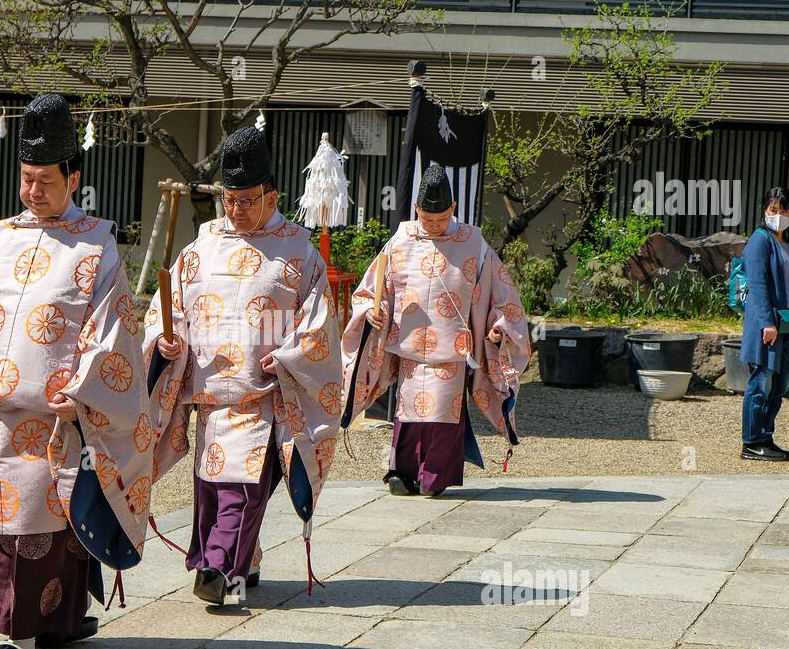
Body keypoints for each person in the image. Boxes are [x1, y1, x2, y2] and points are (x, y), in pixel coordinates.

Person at [0, 93, 153, 649]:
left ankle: (23, 634)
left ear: (73, 177)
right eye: (25, 179)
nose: (33, 191)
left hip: (55, 414)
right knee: (10, 524)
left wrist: (82, 389)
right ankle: (43, 624)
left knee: (47, 525)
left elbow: (115, 330)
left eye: (45, 180)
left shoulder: (97, 244)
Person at [142, 125, 342, 606]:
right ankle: (238, 562)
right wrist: (167, 343)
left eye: (247, 200)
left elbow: (320, 326)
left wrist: (291, 355)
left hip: (263, 397)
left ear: (271, 196)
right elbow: (167, 312)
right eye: (229, 199)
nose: (236, 210)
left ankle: (218, 568)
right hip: (210, 397)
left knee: (240, 490)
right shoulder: (200, 248)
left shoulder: (298, 251)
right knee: (212, 490)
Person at [340, 163, 530, 497]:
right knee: (408, 409)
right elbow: (374, 289)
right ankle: (402, 472)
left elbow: (501, 292)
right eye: (428, 219)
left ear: (453, 209)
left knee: (443, 412)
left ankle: (434, 478)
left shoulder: (473, 242)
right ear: (417, 210)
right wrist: (374, 311)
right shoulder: (401, 240)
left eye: (441, 219)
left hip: (453, 344)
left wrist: (499, 324)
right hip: (410, 344)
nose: (435, 226)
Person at [740, 187, 789, 461]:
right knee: (762, 382)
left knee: (780, 384)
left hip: (788, 324)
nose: (778, 215)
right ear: (764, 212)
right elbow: (757, 284)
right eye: (772, 210)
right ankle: (752, 442)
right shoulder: (760, 240)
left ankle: (766, 437)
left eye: (784, 210)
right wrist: (767, 322)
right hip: (768, 324)